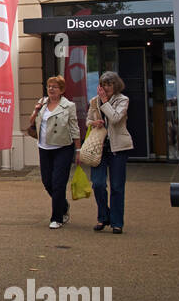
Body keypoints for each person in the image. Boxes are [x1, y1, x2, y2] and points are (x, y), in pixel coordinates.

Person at [28, 75, 80, 229]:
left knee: (58, 183)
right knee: (47, 182)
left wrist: (78, 150)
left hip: (63, 147)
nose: (51, 89)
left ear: (61, 90)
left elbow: (74, 128)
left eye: (55, 87)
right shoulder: (42, 103)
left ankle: (57, 217)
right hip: (44, 148)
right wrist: (36, 110)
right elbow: (31, 123)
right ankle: (63, 206)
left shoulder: (68, 106)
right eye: (49, 86)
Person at [87, 71, 132, 233]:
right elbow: (87, 120)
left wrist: (105, 102)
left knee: (117, 186)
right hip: (99, 147)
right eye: (104, 84)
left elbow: (115, 118)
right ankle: (103, 216)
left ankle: (117, 222)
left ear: (115, 85)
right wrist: (94, 122)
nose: (106, 88)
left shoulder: (122, 100)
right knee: (98, 184)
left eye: (109, 84)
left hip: (118, 148)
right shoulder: (94, 101)